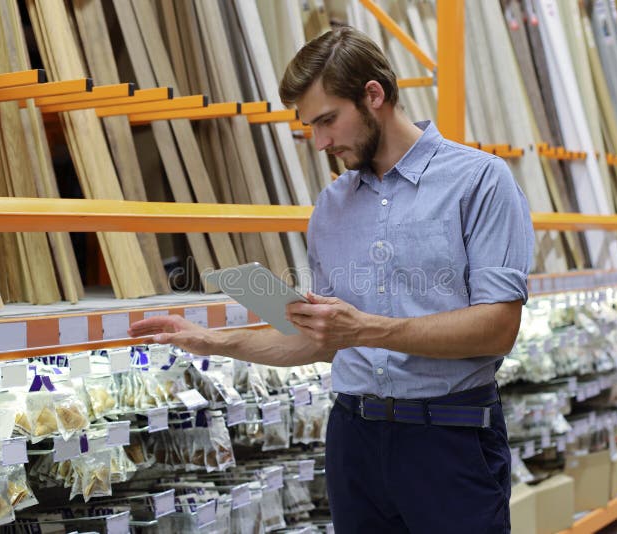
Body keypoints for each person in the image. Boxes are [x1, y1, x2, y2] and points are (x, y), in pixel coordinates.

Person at [128, 26, 534, 534]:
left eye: (327, 121)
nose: (320, 143)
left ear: (373, 95)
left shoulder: (480, 180)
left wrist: (366, 329)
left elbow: (498, 327)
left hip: (449, 440)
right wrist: (207, 340)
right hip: (353, 441)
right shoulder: (332, 206)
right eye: (310, 128)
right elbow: (321, 341)